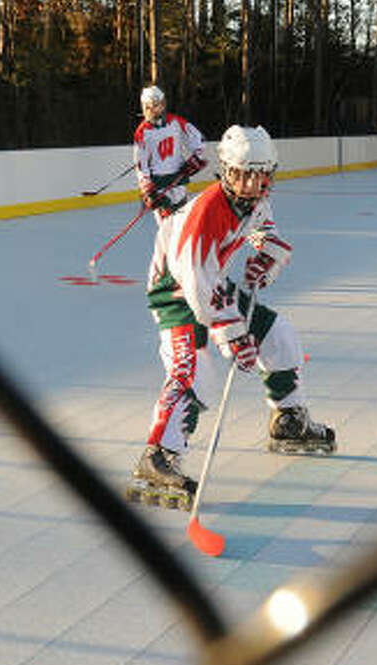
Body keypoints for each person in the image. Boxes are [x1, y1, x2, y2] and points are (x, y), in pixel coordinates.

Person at [132, 124, 336, 496]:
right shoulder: (207, 211)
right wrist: (232, 335)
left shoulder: (256, 200)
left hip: (213, 284)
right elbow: (194, 281)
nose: (250, 184)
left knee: (279, 337)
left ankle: (288, 417)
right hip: (175, 291)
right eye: (241, 174)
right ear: (226, 171)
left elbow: (266, 233)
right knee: (197, 369)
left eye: (259, 175)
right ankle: (159, 453)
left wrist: (268, 257)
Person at [134, 85, 206, 225]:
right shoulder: (142, 132)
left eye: (156, 105)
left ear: (163, 104)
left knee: (183, 224)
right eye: (147, 107)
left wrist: (196, 157)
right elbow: (141, 165)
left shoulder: (176, 122)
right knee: (166, 229)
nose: (151, 110)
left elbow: (198, 139)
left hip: (178, 178)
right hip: (159, 184)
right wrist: (147, 189)